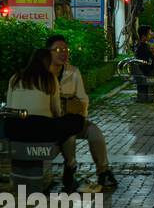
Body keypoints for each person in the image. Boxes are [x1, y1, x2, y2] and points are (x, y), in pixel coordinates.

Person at [5, 49, 86, 192]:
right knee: (75, 121)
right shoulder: (49, 78)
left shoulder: (15, 78)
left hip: (14, 128)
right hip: (40, 128)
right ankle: (70, 165)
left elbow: (10, 107)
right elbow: (56, 111)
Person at [46, 35, 118, 190]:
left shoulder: (73, 72)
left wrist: (80, 118)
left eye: (66, 49)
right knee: (69, 134)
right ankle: (70, 168)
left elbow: (83, 99)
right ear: (48, 53)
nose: (63, 53)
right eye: (58, 49)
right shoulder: (42, 74)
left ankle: (103, 171)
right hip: (49, 122)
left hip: (72, 119)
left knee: (94, 132)